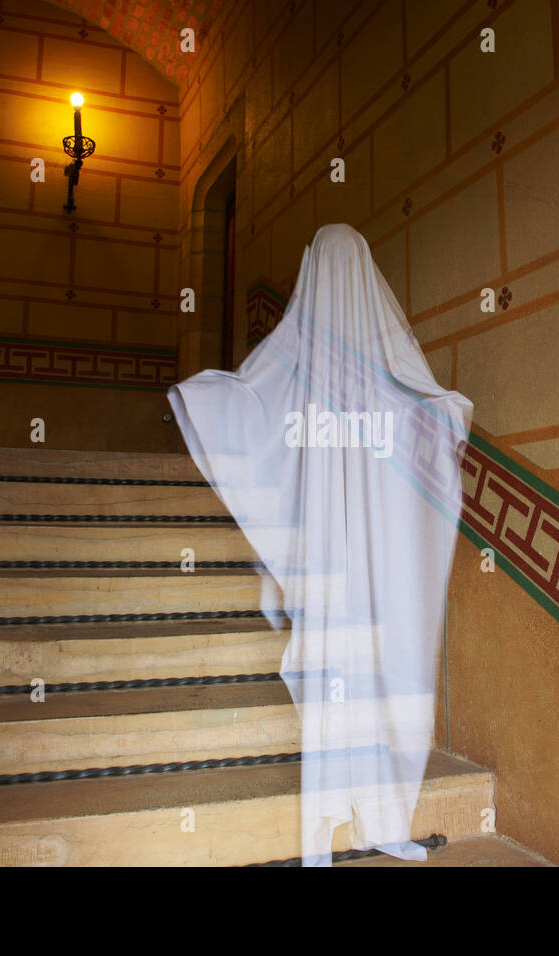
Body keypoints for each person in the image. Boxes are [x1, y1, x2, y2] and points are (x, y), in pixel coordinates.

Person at [168, 223, 473, 865]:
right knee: (345, 676)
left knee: (370, 676)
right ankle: (327, 828)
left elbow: (255, 403)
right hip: (336, 564)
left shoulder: (356, 355)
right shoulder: (312, 354)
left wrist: (437, 413)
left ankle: (379, 819)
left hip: (362, 559)